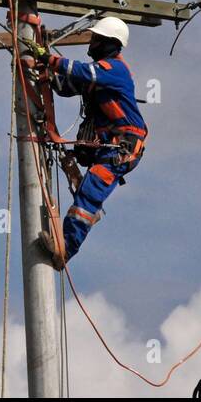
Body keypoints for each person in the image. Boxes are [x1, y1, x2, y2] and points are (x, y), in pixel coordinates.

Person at [28, 16, 147, 268]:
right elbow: (65, 84)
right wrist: (42, 70)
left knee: (90, 191)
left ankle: (66, 250)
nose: (91, 43)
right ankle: (90, 215)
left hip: (123, 147)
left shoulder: (114, 70)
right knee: (87, 191)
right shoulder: (96, 78)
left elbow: (82, 71)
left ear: (109, 43)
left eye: (95, 38)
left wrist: (48, 58)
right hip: (106, 146)